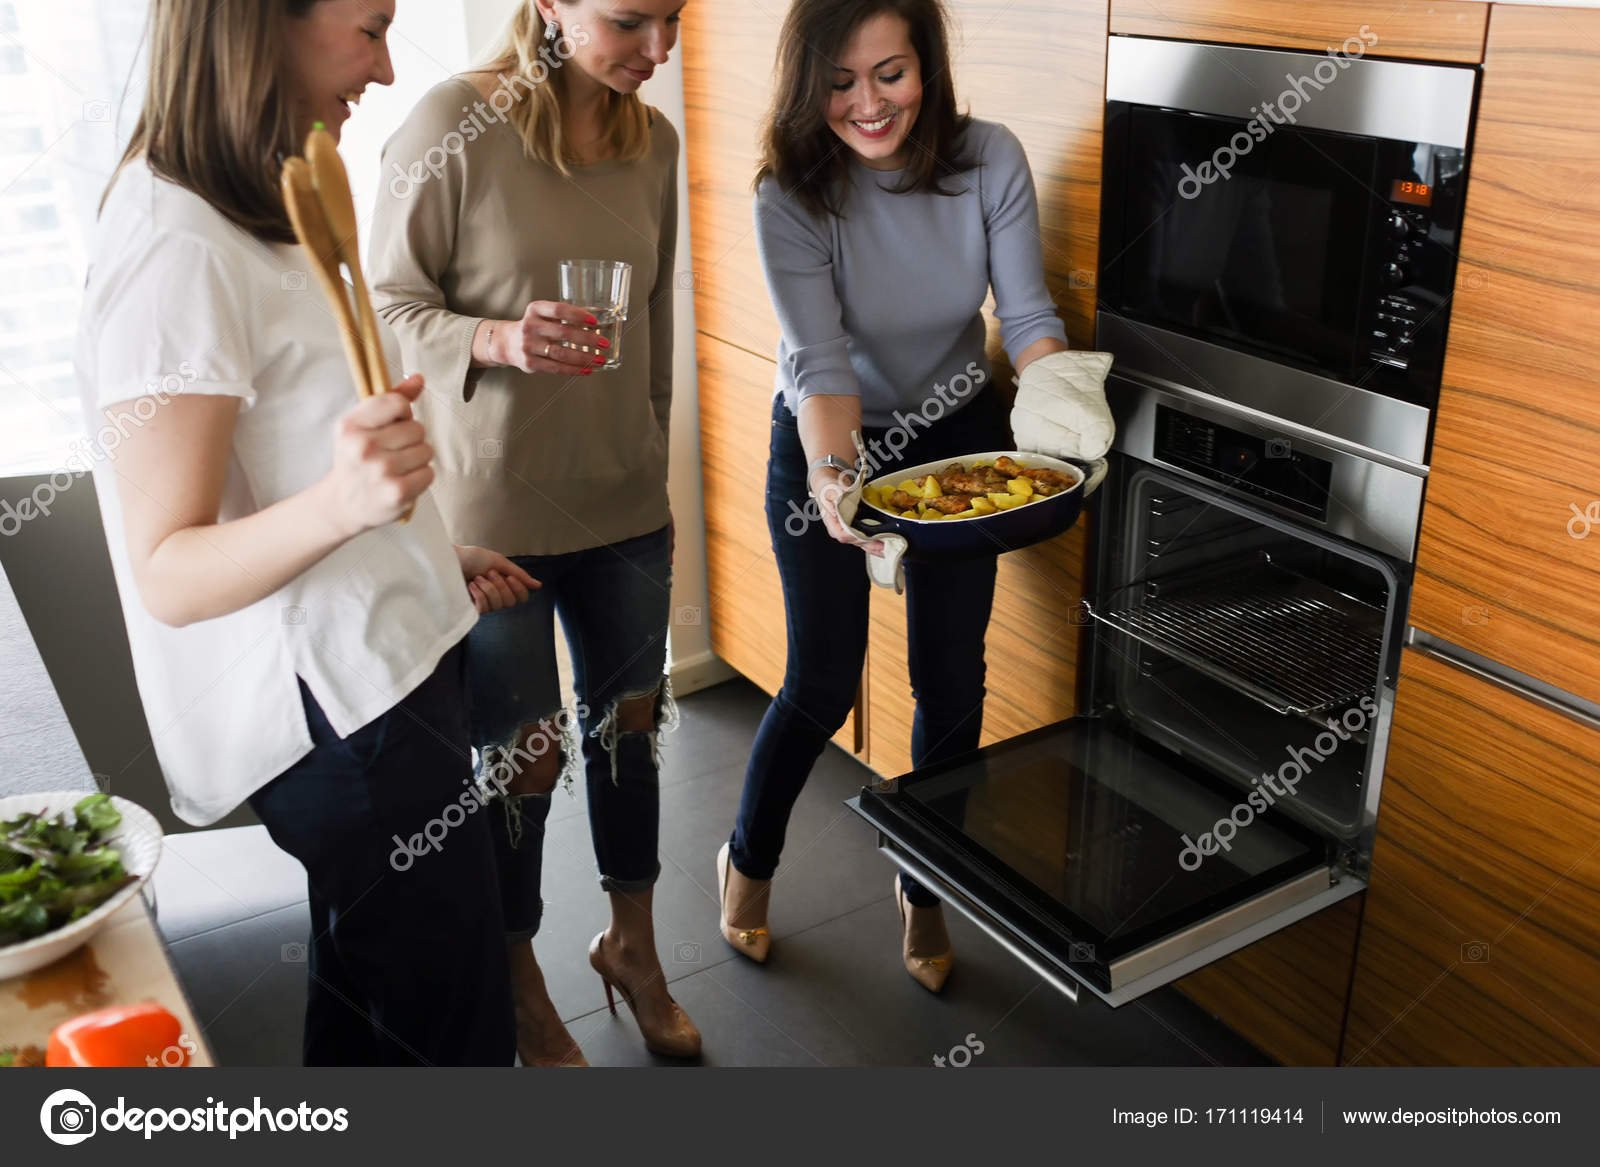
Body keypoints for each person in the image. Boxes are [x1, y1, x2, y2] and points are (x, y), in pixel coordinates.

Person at [75, 0, 541, 1066]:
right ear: (258, 23)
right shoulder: (172, 248)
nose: (383, 70)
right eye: (370, 28)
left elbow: (289, 463)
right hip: (346, 726)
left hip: (383, 679)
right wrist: (346, 505)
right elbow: (170, 570)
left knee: (375, 1009)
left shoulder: (264, 195)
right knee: (454, 1038)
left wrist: (422, 550)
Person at [717, 0, 1072, 993]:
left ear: (929, 67)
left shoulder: (987, 159)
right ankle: (748, 860)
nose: (868, 104)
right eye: (840, 82)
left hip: (958, 435)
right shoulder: (787, 196)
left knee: (951, 681)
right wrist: (836, 480)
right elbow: (822, 366)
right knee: (821, 680)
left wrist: (1061, 399)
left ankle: (924, 887)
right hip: (831, 437)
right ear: (807, 86)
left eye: (891, 73)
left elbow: (1029, 314)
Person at [369, 0, 696, 1062]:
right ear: (550, 4)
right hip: (492, 513)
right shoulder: (449, 127)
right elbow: (382, 305)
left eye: (676, 17)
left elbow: (652, 313)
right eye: (631, 20)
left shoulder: (656, 141)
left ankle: (633, 946)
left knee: (630, 735)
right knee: (522, 756)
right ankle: (518, 979)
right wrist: (498, 337)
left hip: (624, 503)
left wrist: (649, 440)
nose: (659, 50)